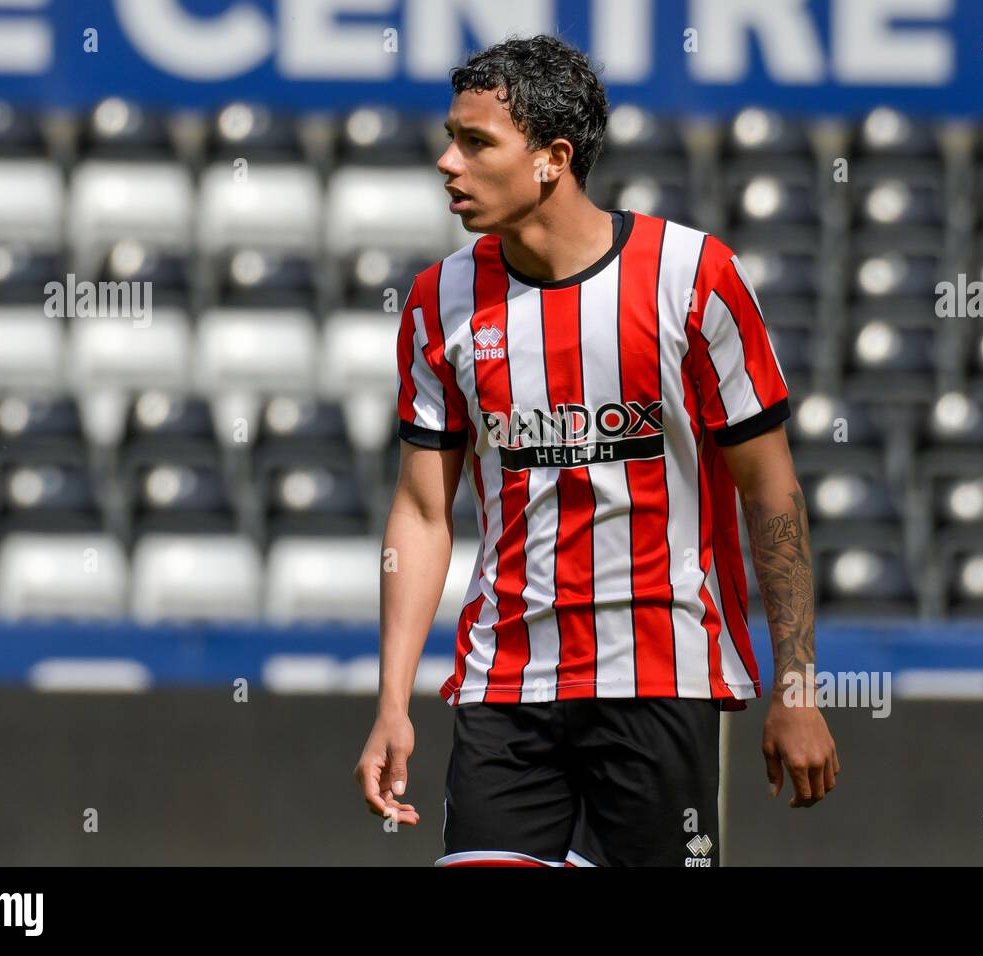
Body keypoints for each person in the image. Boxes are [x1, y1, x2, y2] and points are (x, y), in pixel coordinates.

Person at [353, 33, 838, 867]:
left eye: (475, 142)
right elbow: (424, 511)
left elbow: (772, 494)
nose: (446, 162)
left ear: (553, 158)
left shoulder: (693, 276)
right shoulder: (440, 301)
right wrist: (393, 700)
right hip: (506, 685)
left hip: (661, 680)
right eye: (450, 137)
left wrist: (795, 687)